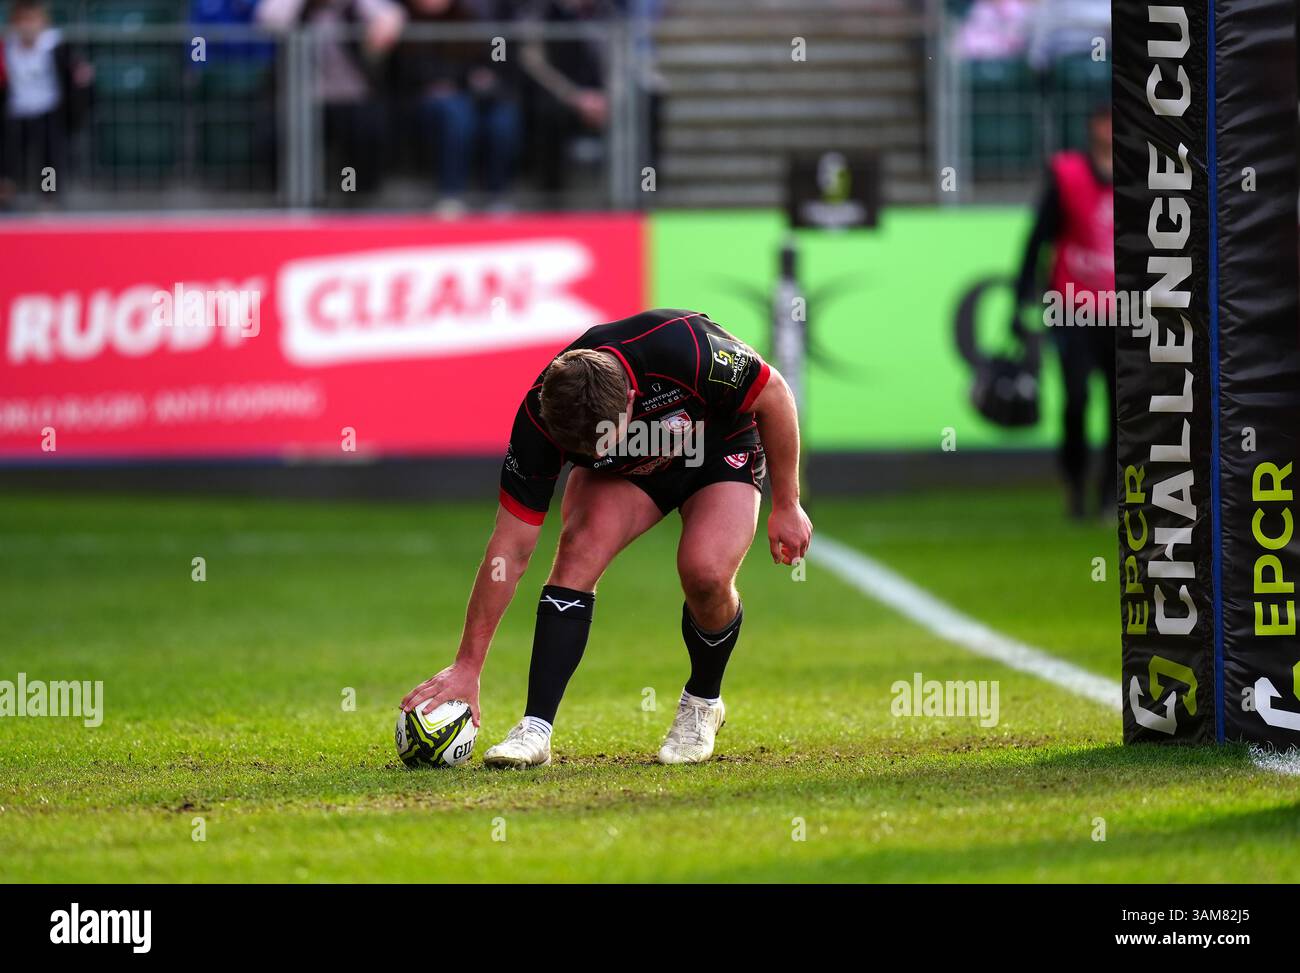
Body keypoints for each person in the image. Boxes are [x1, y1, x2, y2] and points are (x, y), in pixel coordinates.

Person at [400, 308, 813, 767]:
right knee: (575, 555)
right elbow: (509, 550)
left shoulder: (691, 349)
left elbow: (775, 393)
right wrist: (467, 665)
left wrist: (787, 503)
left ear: (632, 399)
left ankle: (702, 704)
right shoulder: (541, 418)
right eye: (581, 452)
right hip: (629, 473)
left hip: (717, 451)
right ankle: (536, 728)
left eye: (600, 441)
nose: (589, 454)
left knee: (706, 573)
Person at [1013, 103, 1115, 518]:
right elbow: (1038, 238)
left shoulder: (1147, 178)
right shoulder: (1068, 175)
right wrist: (1021, 296)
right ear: (1093, 125)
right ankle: (1075, 484)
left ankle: (1110, 492)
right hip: (1071, 304)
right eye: (1105, 120)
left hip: (1123, 308)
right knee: (1076, 397)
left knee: (1122, 405)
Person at [0, 0, 92, 205]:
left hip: (47, 109)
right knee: (8, 153)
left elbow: (76, 74)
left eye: (32, 20)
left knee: (48, 158)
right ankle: (6, 192)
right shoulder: (7, 47)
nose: (27, 26)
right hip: (17, 109)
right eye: (22, 20)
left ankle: (48, 194)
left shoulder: (55, 46)